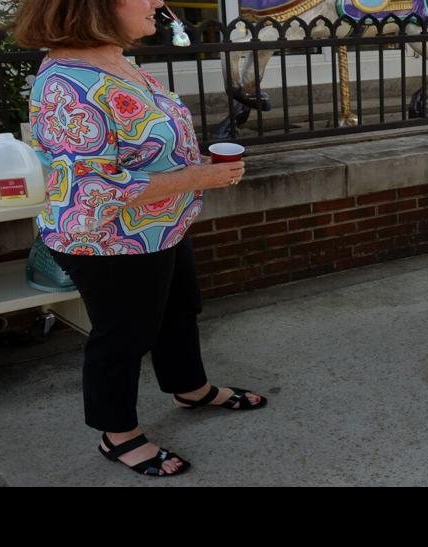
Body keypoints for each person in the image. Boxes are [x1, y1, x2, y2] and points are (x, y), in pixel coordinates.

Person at [16, 0, 264, 478]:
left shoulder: (111, 57)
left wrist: (189, 179)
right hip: (109, 238)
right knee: (123, 335)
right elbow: (91, 186)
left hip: (159, 225)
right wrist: (198, 178)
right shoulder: (68, 82)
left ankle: (190, 388)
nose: (158, 3)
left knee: (177, 311)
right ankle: (118, 435)